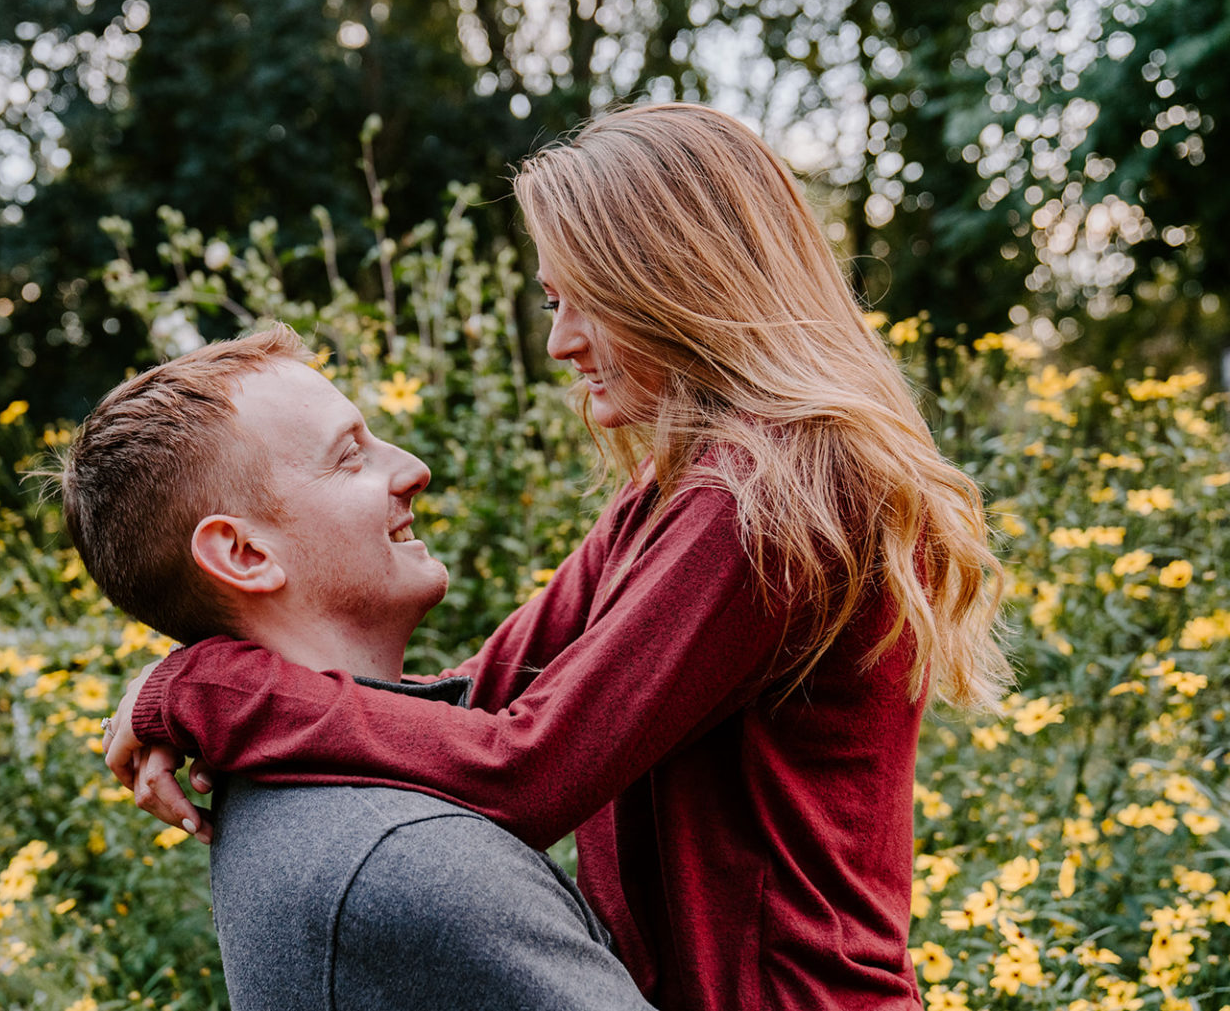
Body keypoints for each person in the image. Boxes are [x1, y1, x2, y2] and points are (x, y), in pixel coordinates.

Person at [103, 103, 1010, 1010]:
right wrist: (191, 675)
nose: (560, 340)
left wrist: (208, 693)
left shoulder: (768, 498)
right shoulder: (673, 494)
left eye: (587, 299)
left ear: (680, 284)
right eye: (551, 300)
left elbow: (526, 769)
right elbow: (485, 696)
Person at [62, 328, 655, 1011]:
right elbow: (525, 754)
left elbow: (608, 571)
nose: (413, 467)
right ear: (245, 553)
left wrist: (190, 687)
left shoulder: (297, 796)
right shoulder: (413, 864)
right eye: (350, 456)